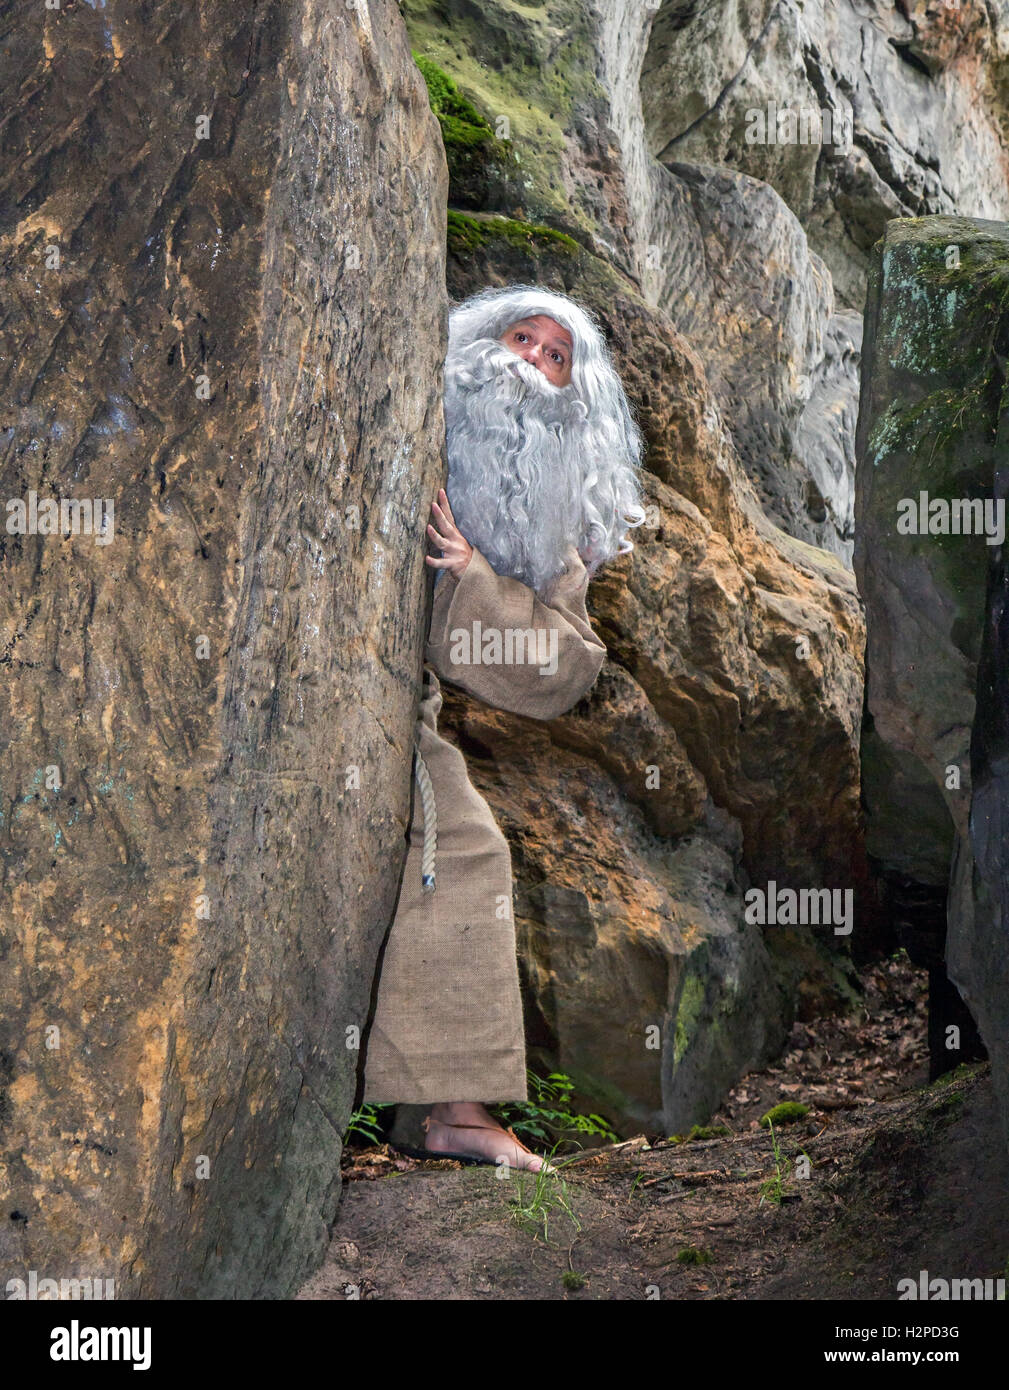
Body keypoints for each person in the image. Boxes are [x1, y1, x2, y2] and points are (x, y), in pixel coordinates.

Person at [361, 284, 647, 1171]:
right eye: (520, 337)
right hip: (339, 673)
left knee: (471, 852)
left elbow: (566, 663)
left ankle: (455, 1112)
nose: (529, 358)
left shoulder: (562, 523)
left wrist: (477, 577)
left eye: (554, 355)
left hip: (396, 704)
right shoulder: (419, 401)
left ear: (575, 395)